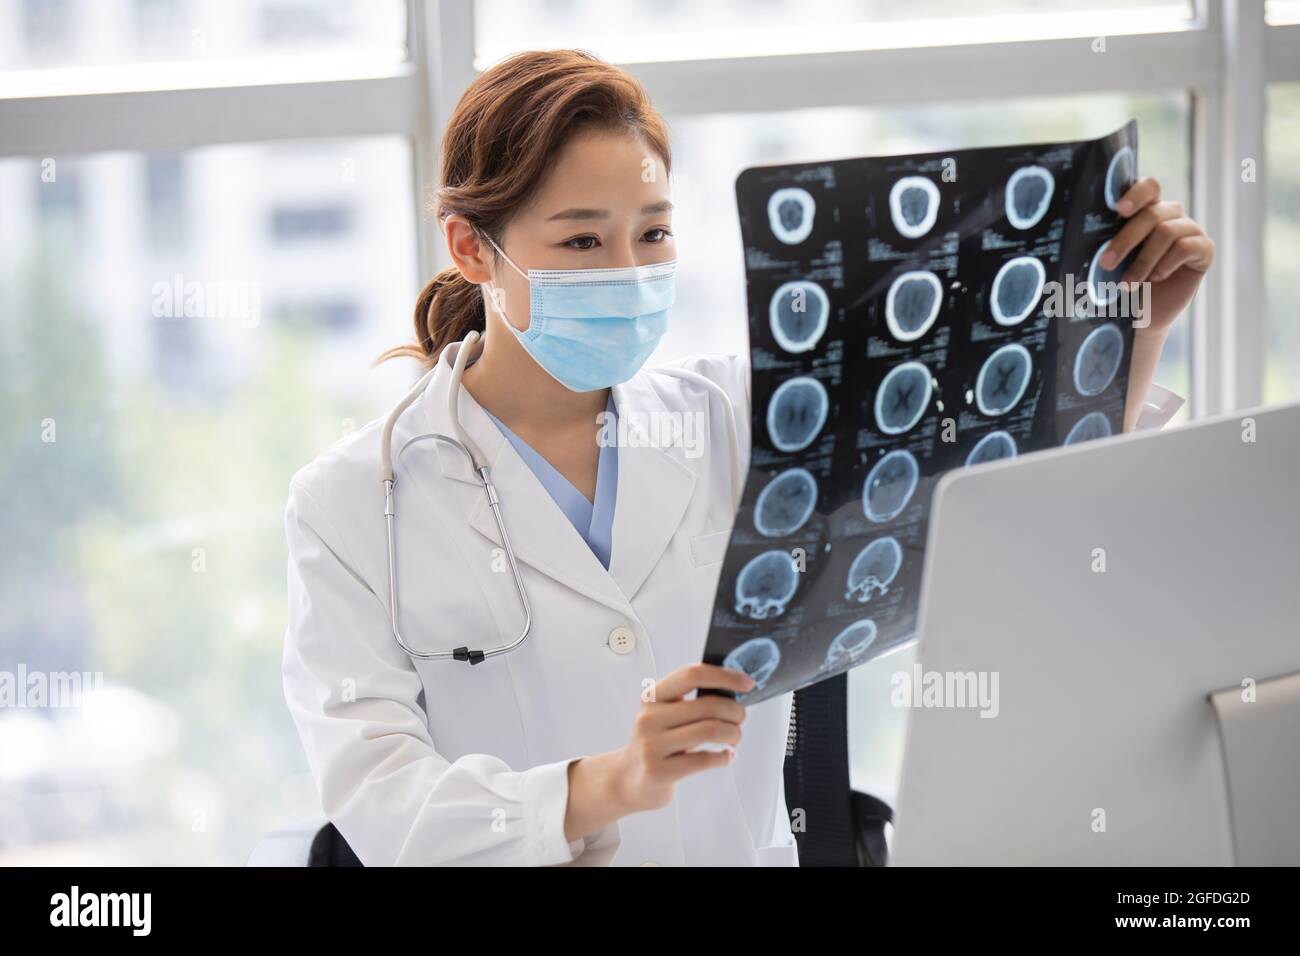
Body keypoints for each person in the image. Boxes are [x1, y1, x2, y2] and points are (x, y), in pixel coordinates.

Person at [281, 49, 1215, 866]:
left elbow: (987, 503)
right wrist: (608, 784)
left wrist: (1138, 326)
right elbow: (379, 798)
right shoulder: (355, 502)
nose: (628, 270)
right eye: (581, 240)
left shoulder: (742, 415)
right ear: (471, 249)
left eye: (651, 232)